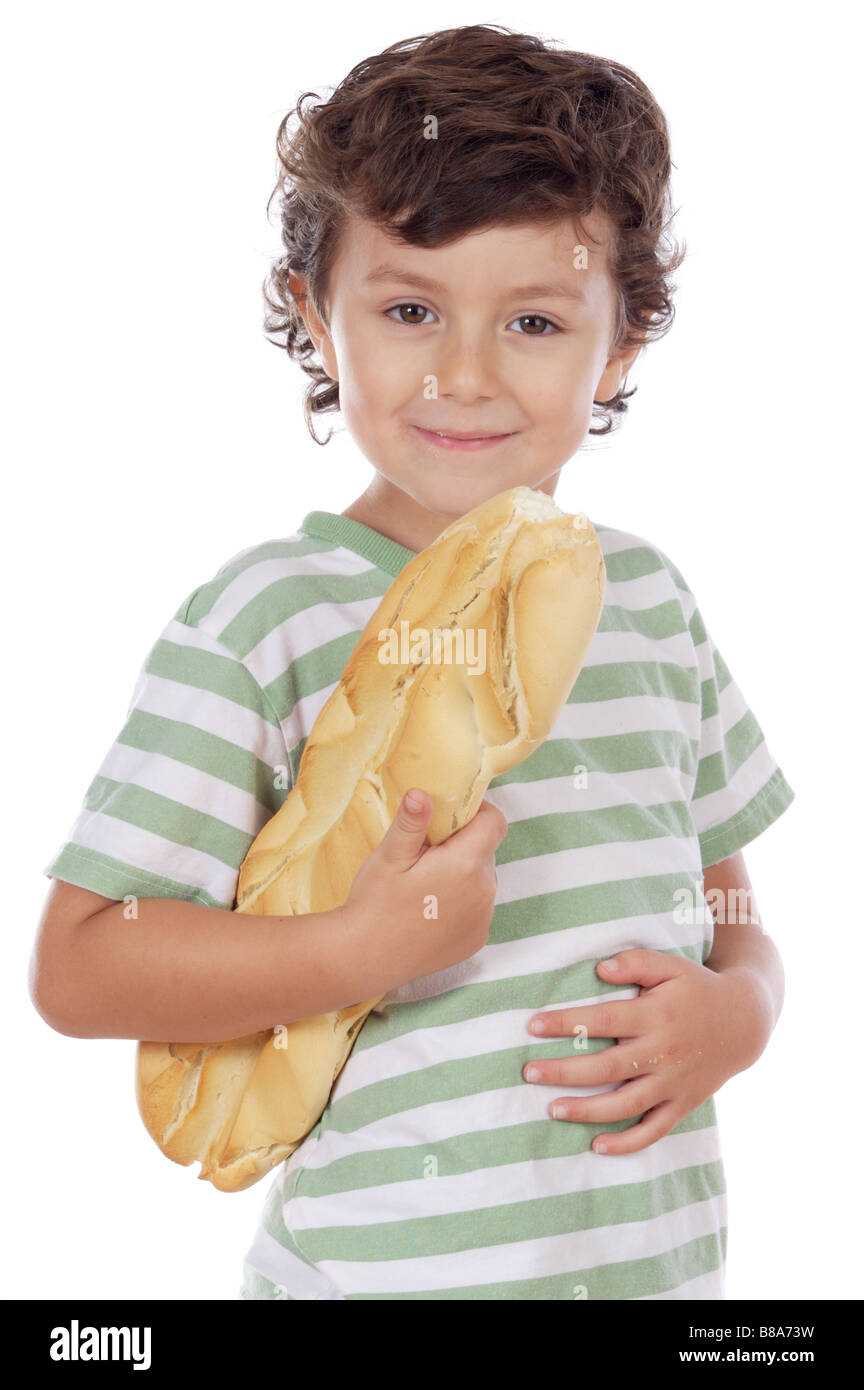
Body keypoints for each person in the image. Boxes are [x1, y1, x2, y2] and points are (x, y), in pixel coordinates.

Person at [31, 23, 795, 1300]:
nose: (463, 373)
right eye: (407, 309)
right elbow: (82, 963)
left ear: (623, 341)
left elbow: (732, 910)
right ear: (316, 321)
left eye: (536, 320)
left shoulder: (651, 599)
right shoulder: (268, 617)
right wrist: (357, 948)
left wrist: (743, 1016)